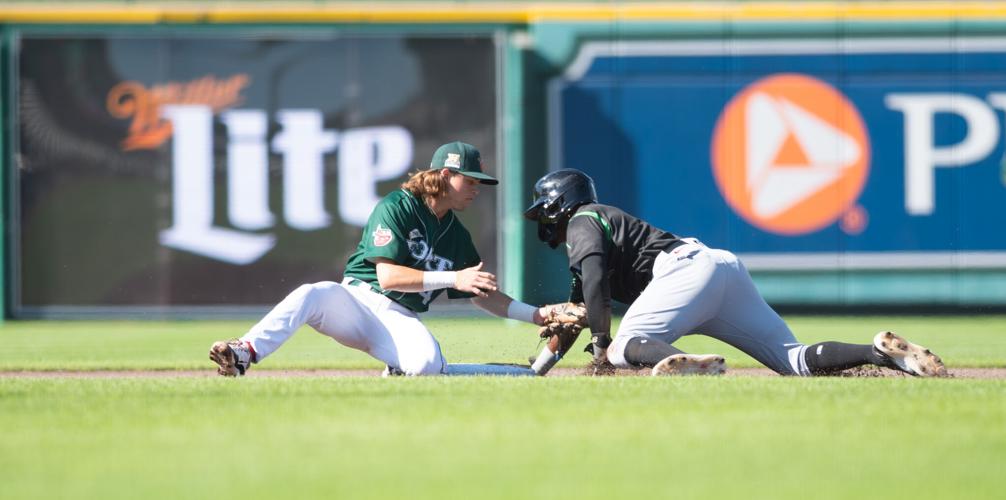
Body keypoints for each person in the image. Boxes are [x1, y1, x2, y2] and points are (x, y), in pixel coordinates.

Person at [523, 168, 947, 377]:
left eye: (545, 209)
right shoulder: (591, 227)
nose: (545, 219)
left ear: (561, 202)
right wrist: (538, 368)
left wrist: (601, 349)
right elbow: (581, 308)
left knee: (626, 344)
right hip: (717, 269)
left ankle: (683, 365)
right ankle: (878, 352)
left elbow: (596, 286)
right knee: (792, 361)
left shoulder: (582, 220)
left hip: (683, 273)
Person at [210, 141, 559, 377]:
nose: (476, 188)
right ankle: (245, 352)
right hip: (355, 301)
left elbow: (483, 296)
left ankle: (402, 367)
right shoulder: (397, 206)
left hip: (399, 315)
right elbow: (389, 277)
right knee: (311, 293)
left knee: (425, 367)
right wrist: (454, 279)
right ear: (445, 175)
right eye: (469, 180)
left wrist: (538, 315)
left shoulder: (457, 235)